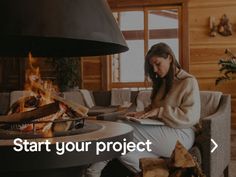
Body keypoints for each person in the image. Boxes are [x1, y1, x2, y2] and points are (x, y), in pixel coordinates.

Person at [119, 42, 201, 173]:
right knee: (120, 148)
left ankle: (92, 173)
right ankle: (159, 170)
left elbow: (190, 116)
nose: (155, 70)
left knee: (121, 129)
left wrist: (160, 112)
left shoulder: (188, 82)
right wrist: (142, 113)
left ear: (169, 58)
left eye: (157, 64)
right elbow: (154, 107)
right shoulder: (162, 82)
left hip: (182, 133)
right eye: (152, 66)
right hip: (162, 130)